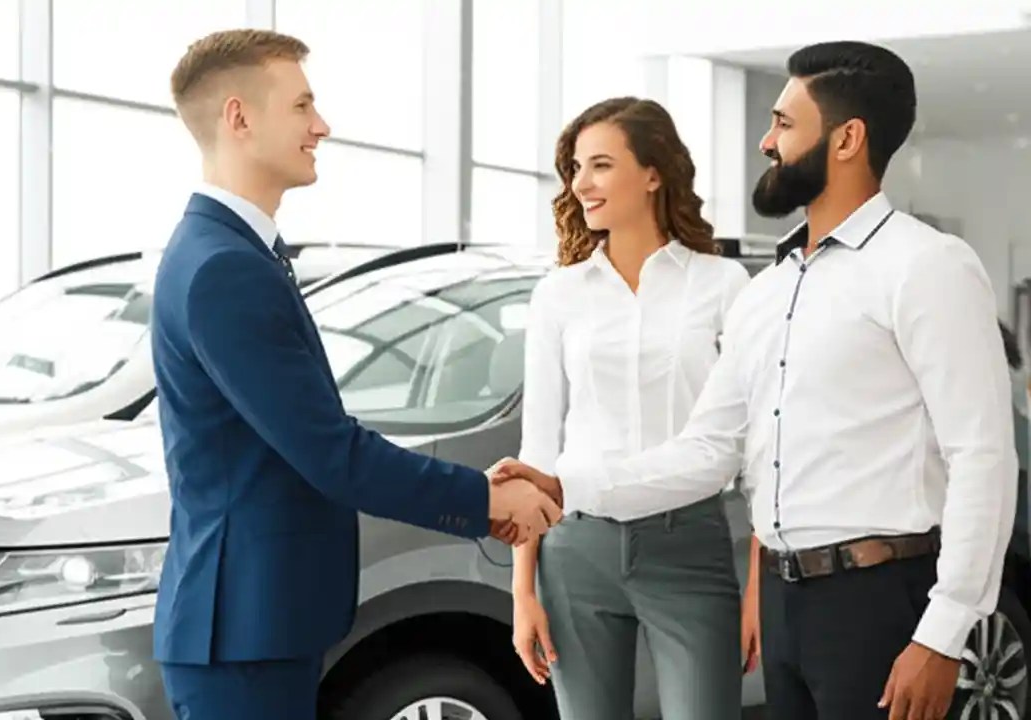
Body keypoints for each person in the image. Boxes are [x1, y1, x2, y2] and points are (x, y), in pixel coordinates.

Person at [494, 40, 1016, 720]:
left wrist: (944, 635)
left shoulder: (927, 267)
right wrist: (566, 486)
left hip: (880, 597)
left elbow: (981, 456)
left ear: (848, 139)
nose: (766, 141)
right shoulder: (769, 292)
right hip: (785, 601)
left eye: (784, 124)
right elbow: (712, 449)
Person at [149, 29, 562, 719]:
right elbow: (328, 452)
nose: (322, 126)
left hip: (256, 624)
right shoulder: (226, 268)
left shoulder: (230, 253)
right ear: (238, 118)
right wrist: (484, 503)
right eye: (302, 106)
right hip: (242, 630)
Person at [508, 97, 749, 720]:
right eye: (576, 169)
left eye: (601, 165)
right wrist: (522, 591)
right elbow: (539, 450)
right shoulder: (558, 294)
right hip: (574, 551)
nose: (581, 184)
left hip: (690, 546)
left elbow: (753, 449)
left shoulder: (723, 286)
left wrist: (757, 592)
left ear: (653, 172)